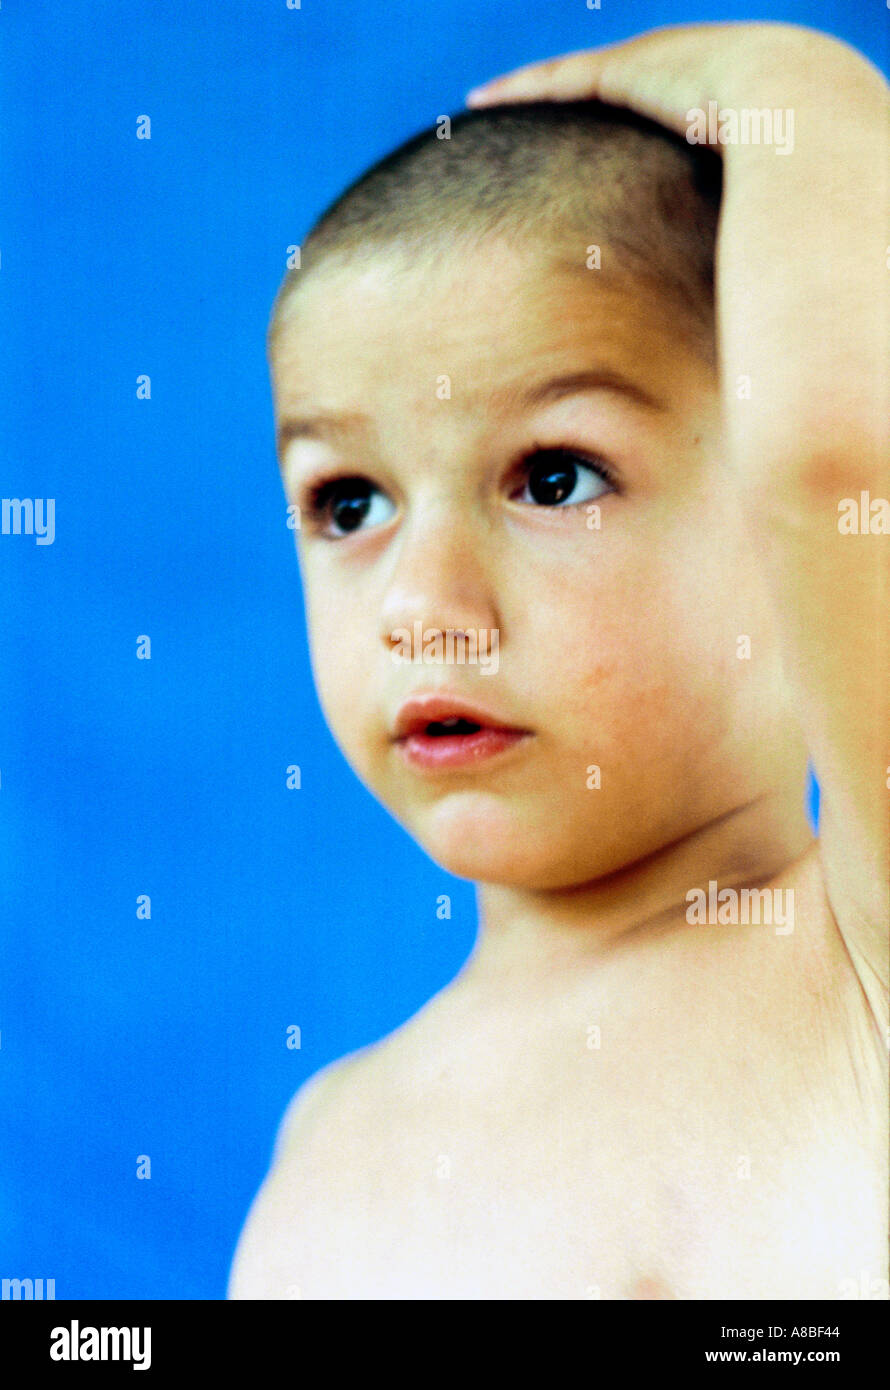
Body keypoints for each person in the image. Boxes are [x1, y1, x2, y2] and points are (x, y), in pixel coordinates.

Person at [229, 22, 889, 1299]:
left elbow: (841, 451)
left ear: (772, 518)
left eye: (551, 477)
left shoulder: (855, 971)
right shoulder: (329, 1134)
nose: (424, 607)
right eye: (348, 503)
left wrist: (787, 83)